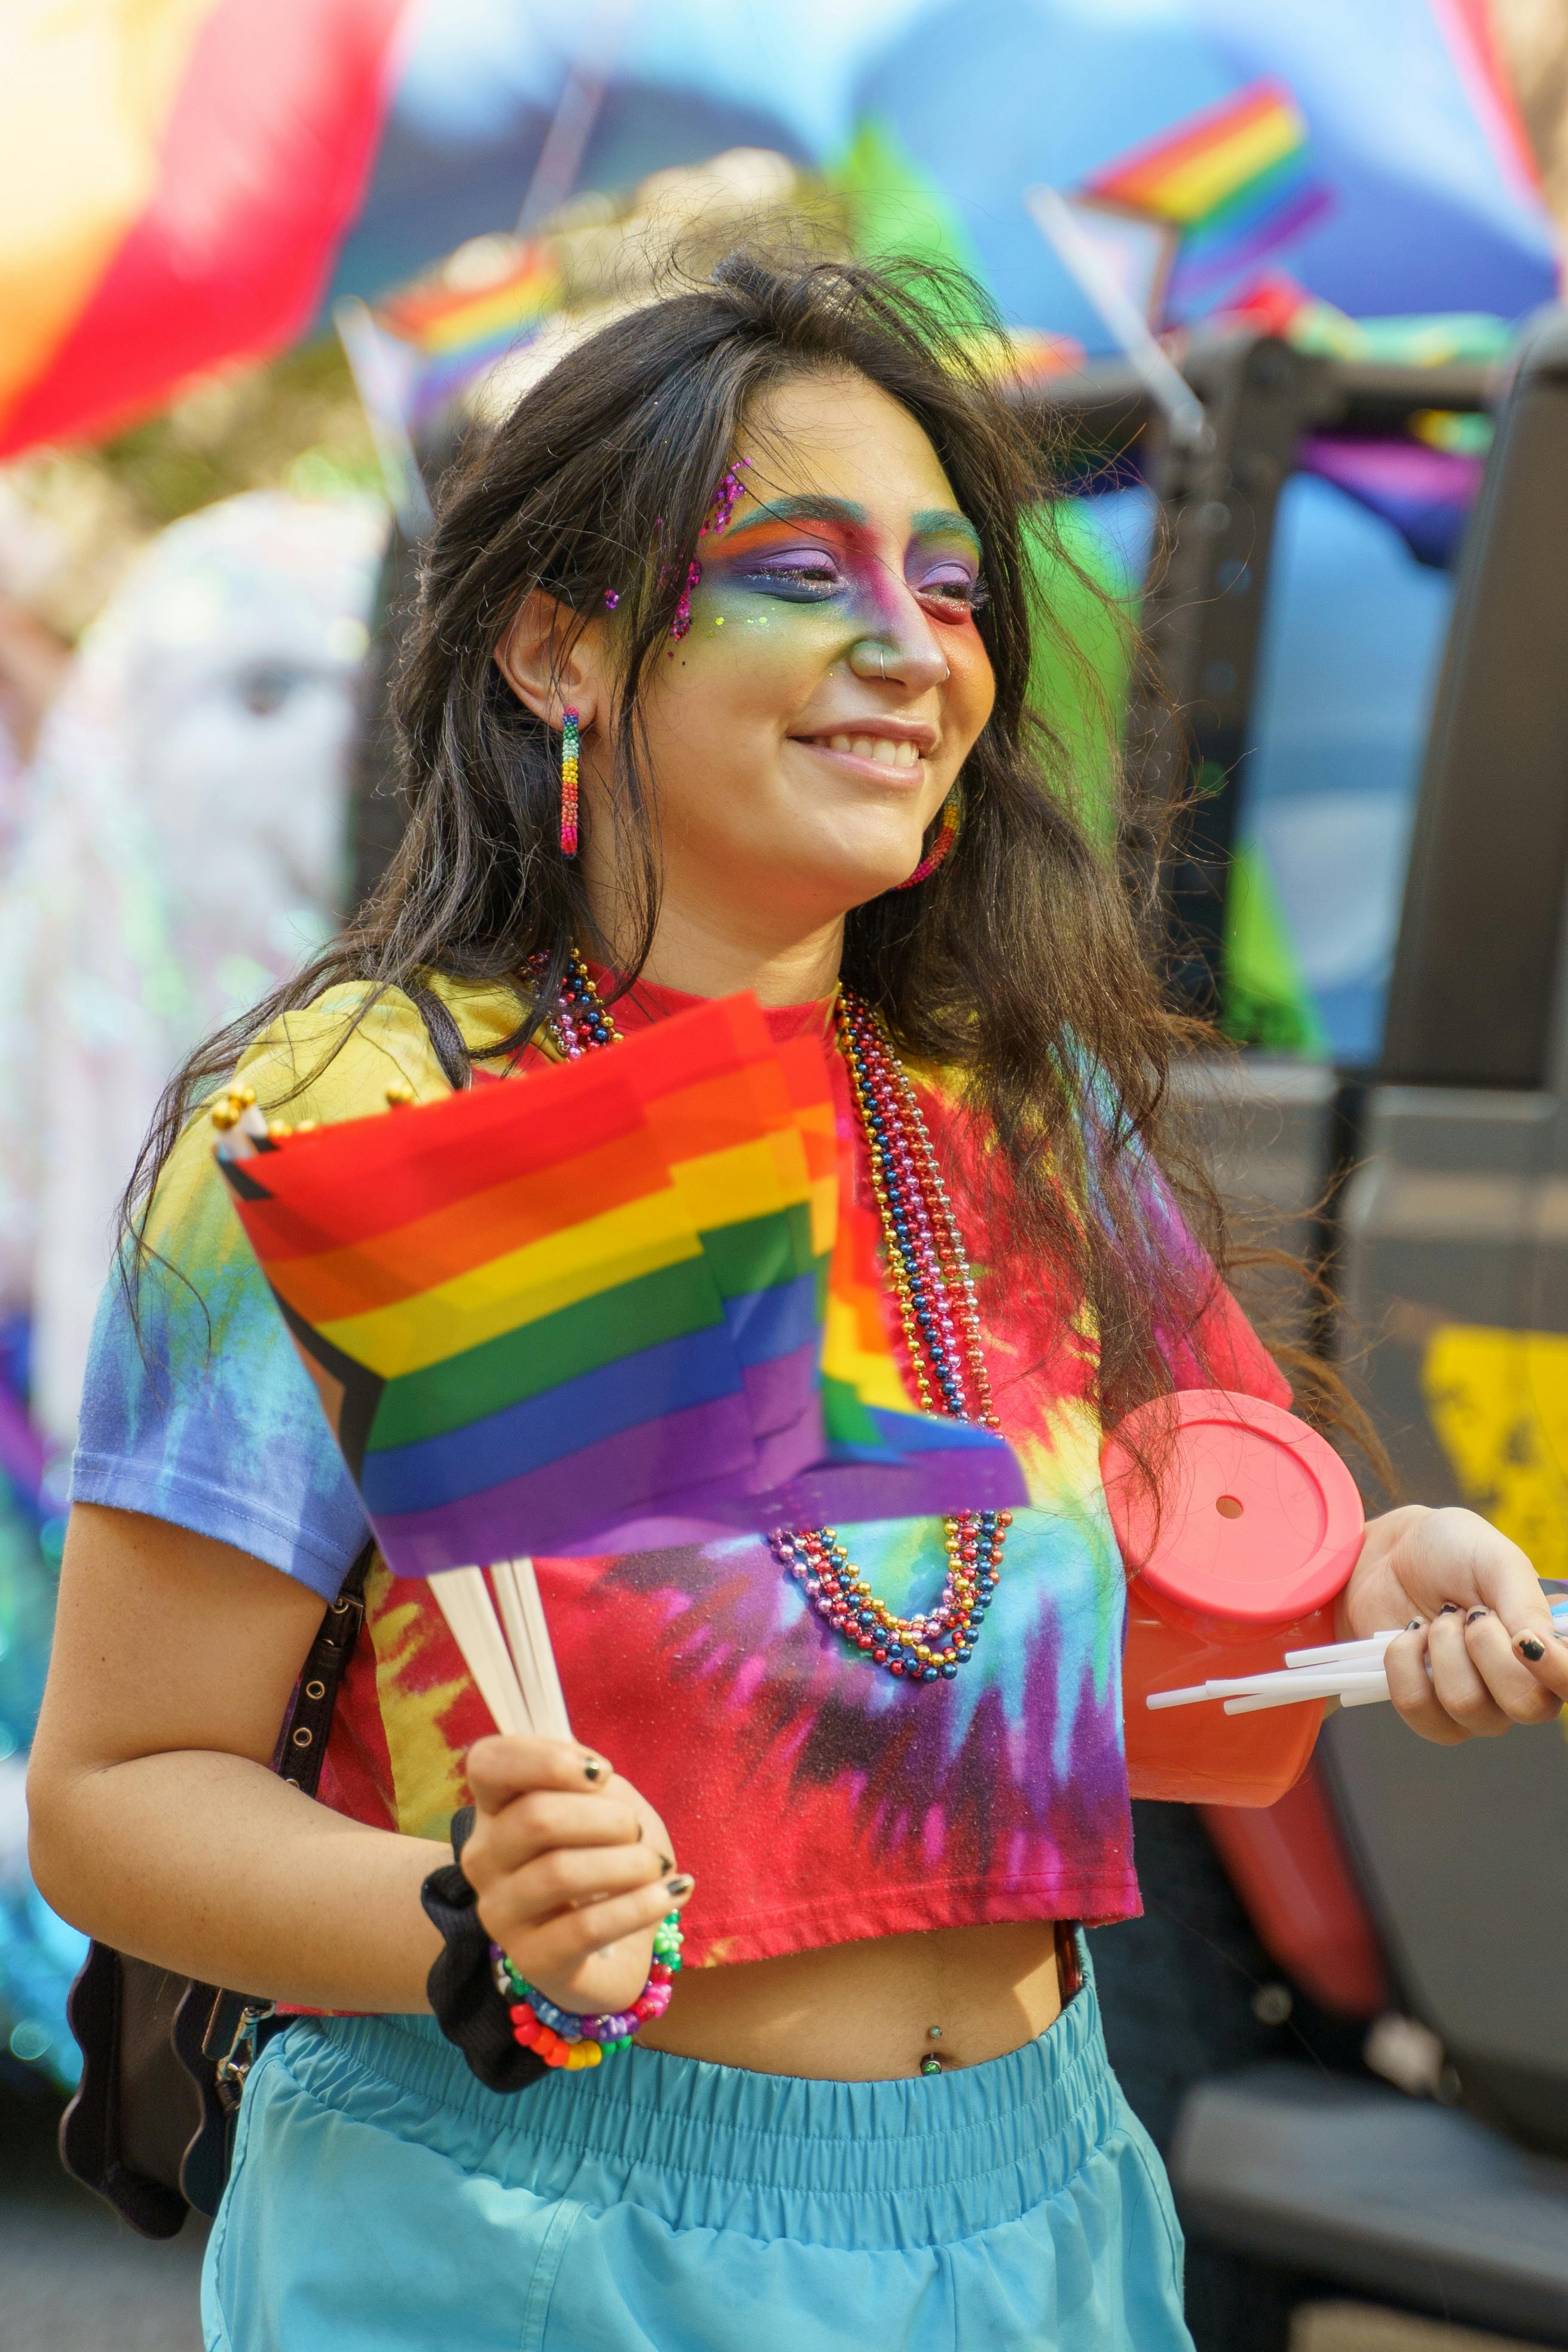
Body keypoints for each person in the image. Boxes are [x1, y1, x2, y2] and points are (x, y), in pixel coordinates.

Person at [26, 258, 1566, 2352]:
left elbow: (1196, 1645)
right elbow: (112, 1796)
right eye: (796, 570)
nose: (906, 649)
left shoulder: (1029, 1116)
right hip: (535, 2237)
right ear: (556, 646)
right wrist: (464, 1920)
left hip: (1046, 2216)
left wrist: (1390, 1603)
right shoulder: (356, 1120)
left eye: (949, 590)